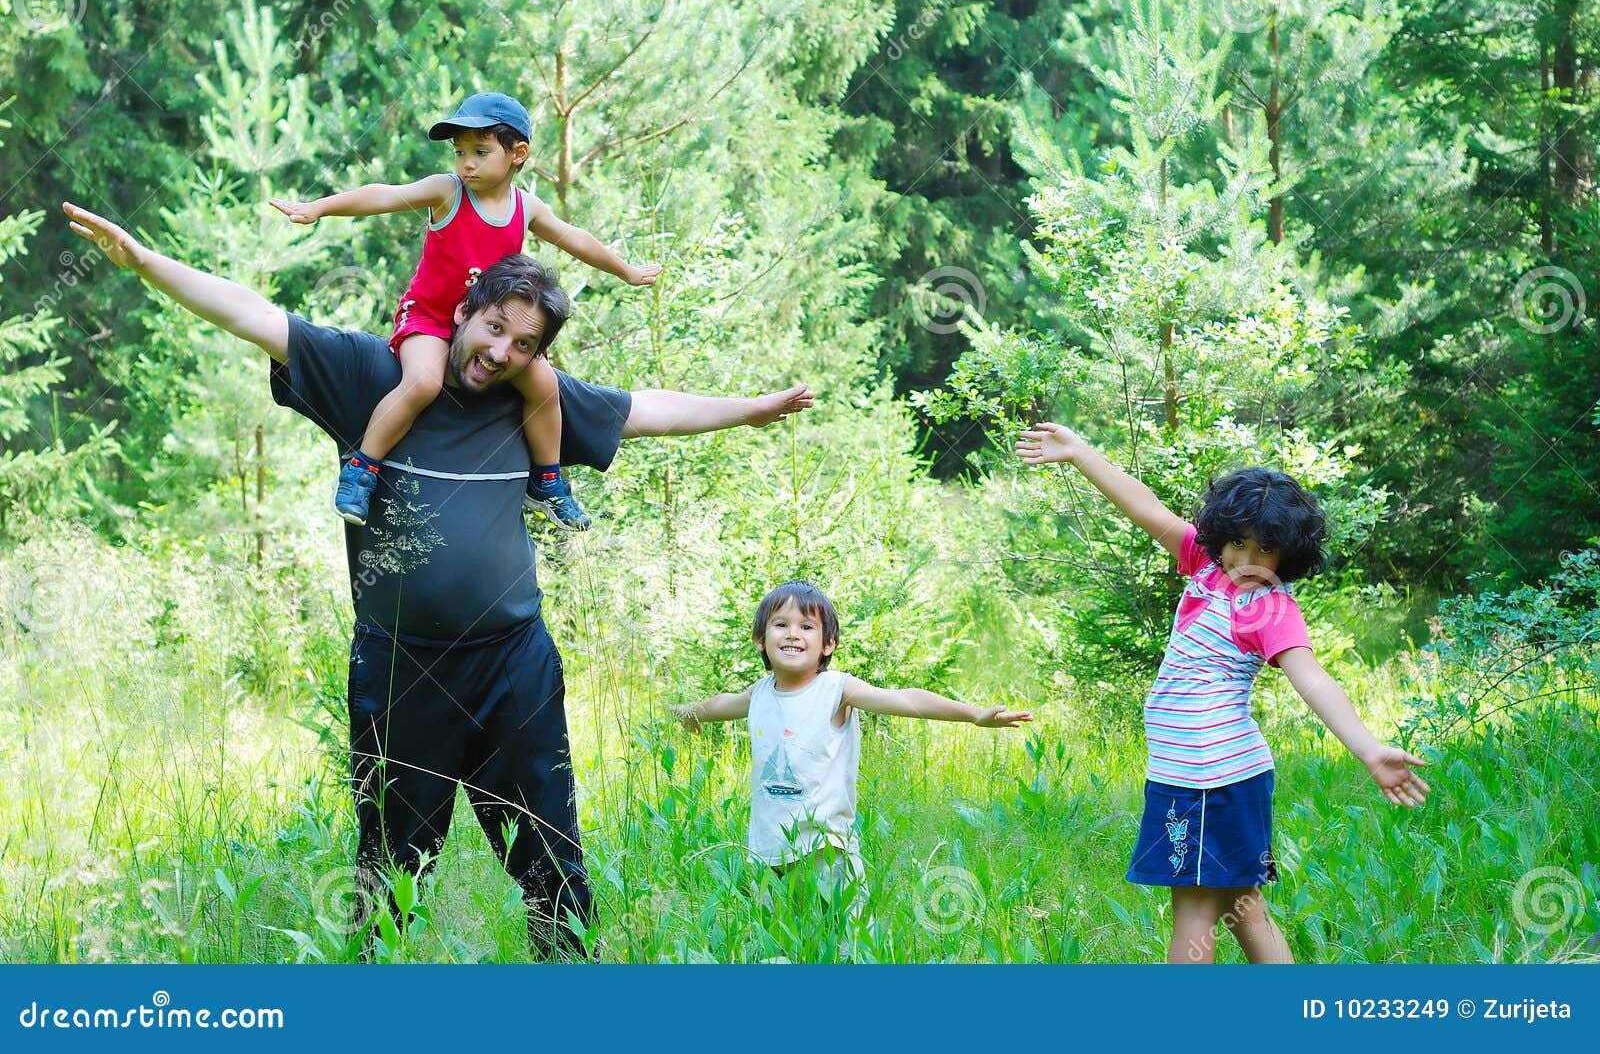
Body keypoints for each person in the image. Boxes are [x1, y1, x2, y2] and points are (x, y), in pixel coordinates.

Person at [62, 200, 812, 959]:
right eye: (494, 329)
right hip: (400, 668)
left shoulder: (534, 403)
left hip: (512, 664)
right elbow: (258, 316)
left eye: (525, 346)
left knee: (551, 854)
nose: (501, 353)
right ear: (464, 309)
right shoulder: (374, 376)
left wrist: (750, 410)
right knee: (388, 865)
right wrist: (147, 263)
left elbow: (647, 409)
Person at [1016, 421, 1431, 964]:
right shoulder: (1205, 566)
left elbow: (1312, 679)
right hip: (1193, 773)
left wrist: (1368, 748)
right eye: (1238, 543)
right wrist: (1080, 453)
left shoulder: (1270, 607)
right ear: (1220, 536)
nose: (1246, 559)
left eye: (1265, 550)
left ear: (1288, 557)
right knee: (1244, 904)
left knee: (1193, 910)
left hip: (1211, 776)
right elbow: (1146, 509)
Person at [270, 91, 660, 530]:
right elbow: (383, 195)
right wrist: (319, 208)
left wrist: (625, 270)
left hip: (490, 328)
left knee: (544, 384)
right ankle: (363, 468)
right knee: (421, 383)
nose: (466, 163)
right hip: (432, 318)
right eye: (459, 153)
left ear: (518, 154)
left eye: (480, 151)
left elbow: (574, 238)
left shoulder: (525, 207)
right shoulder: (447, 191)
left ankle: (547, 480)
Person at [671, 580, 1031, 914]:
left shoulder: (836, 690)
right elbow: (722, 703)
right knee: (781, 946)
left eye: (807, 626)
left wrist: (973, 715)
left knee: (845, 944)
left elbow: (906, 699)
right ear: (760, 639)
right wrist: (687, 713)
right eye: (780, 624)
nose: (793, 633)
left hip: (827, 854)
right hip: (768, 854)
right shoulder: (760, 693)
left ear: (828, 643)